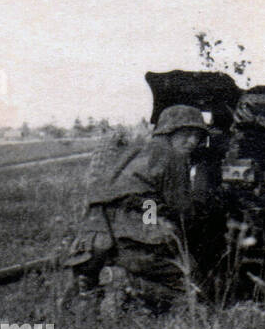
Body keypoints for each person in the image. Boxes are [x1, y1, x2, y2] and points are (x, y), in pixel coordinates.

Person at [64, 104, 211, 309]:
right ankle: (126, 281)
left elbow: (116, 194)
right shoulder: (173, 157)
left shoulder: (133, 151)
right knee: (196, 291)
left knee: (86, 296)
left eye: (197, 136)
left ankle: (97, 287)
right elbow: (179, 210)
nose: (193, 141)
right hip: (133, 240)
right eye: (186, 134)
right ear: (169, 132)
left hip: (93, 240)